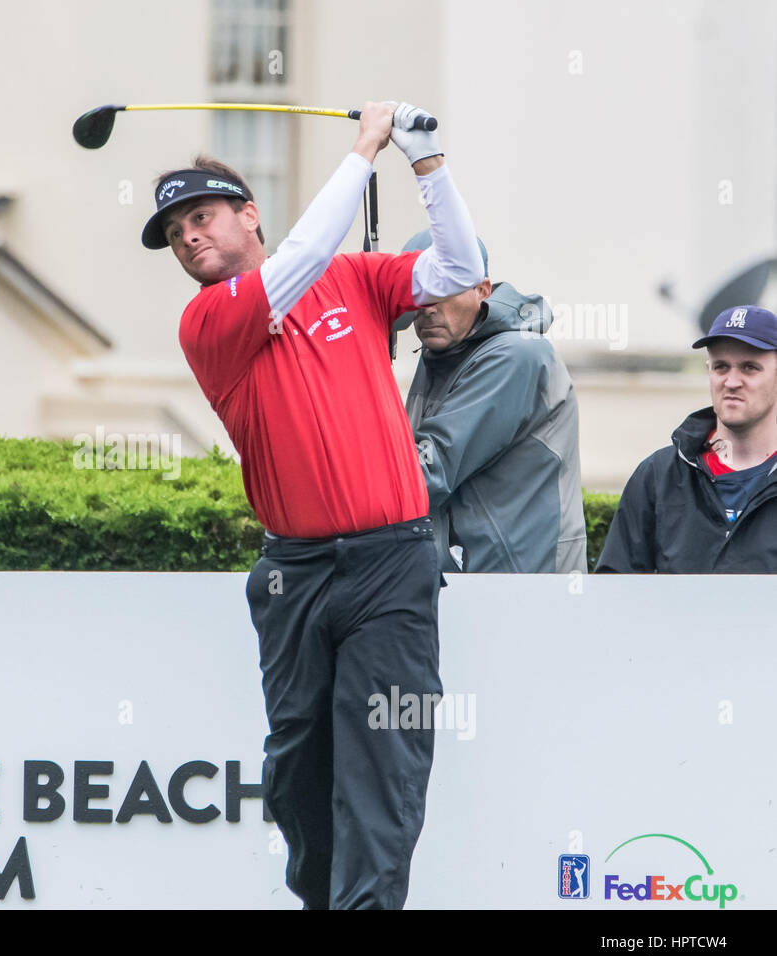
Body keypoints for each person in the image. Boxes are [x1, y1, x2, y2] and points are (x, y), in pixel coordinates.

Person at [143, 101, 484, 908]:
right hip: (294, 576)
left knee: (384, 756)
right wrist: (367, 148)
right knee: (299, 769)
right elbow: (299, 256)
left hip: (392, 564)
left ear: (246, 214)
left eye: (201, 216)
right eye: (175, 234)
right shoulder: (210, 320)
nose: (188, 238)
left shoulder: (352, 281)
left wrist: (426, 163)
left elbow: (459, 267)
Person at [396, 229, 587, 573]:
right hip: (473, 590)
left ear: (482, 289)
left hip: (523, 593)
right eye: (415, 290)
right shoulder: (441, 352)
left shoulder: (518, 355)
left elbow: (424, 473)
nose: (425, 307)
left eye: (442, 286)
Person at [596, 305, 777, 573]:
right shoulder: (658, 475)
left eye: (750, 367)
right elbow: (616, 590)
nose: (731, 381)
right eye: (721, 367)